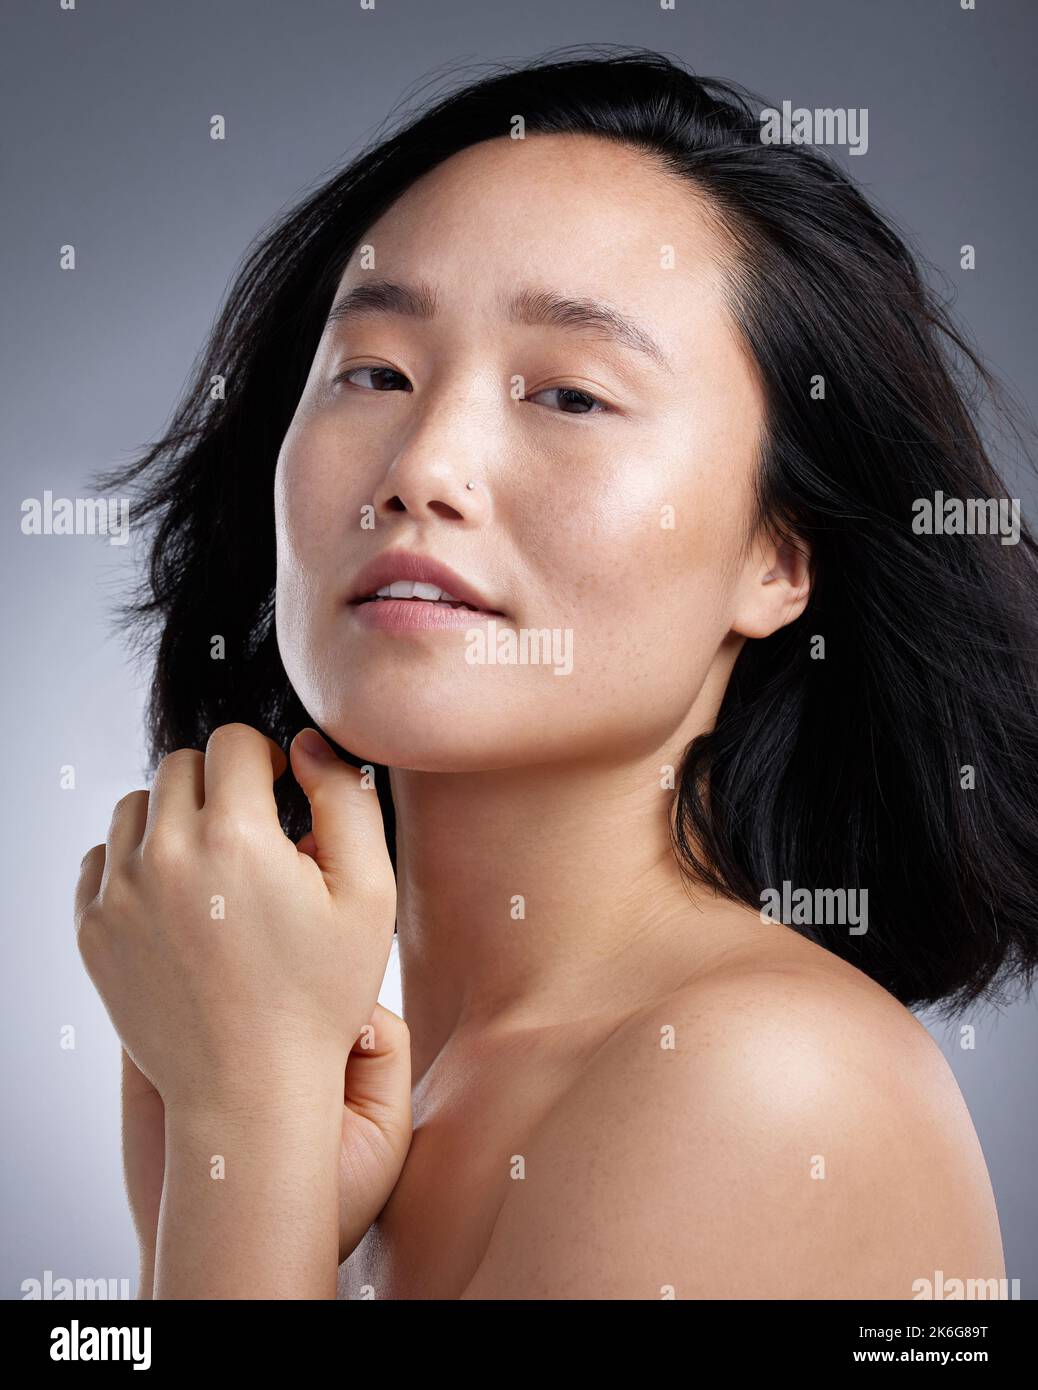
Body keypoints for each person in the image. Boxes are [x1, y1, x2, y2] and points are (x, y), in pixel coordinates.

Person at [77, 47, 1038, 1299]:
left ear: (777, 557)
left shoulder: (759, 1078)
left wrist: (240, 1137)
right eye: (375, 373)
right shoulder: (377, 1092)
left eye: (573, 396)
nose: (424, 464)